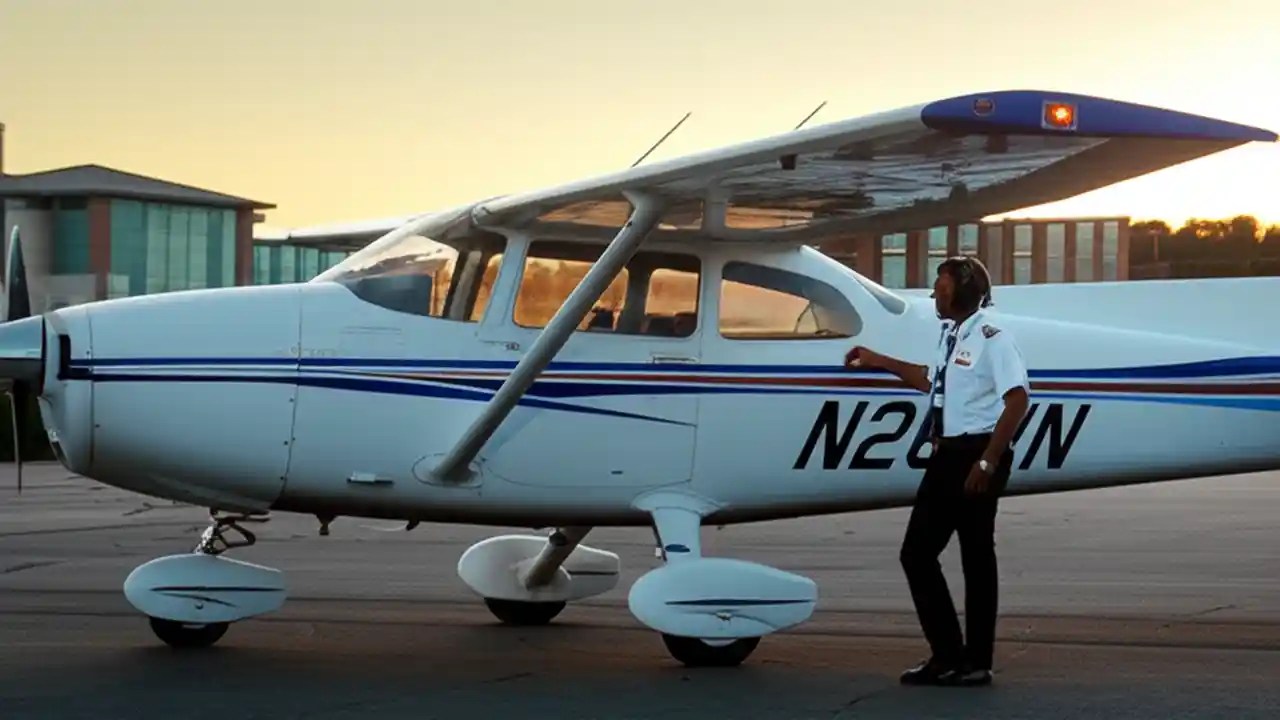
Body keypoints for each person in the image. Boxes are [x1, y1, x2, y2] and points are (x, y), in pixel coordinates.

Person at [844, 255, 1030, 687]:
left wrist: (988, 460)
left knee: (966, 557)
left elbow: (1017, 400)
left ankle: (971, 661)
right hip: (948, 455)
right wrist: (880, 360)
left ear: (963, 292)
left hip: (976, 455)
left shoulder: (993, 337)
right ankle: (950, 655)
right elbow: (935, 381)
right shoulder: (951, 334)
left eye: (941, 288)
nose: (934, 295)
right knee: (930, 554)